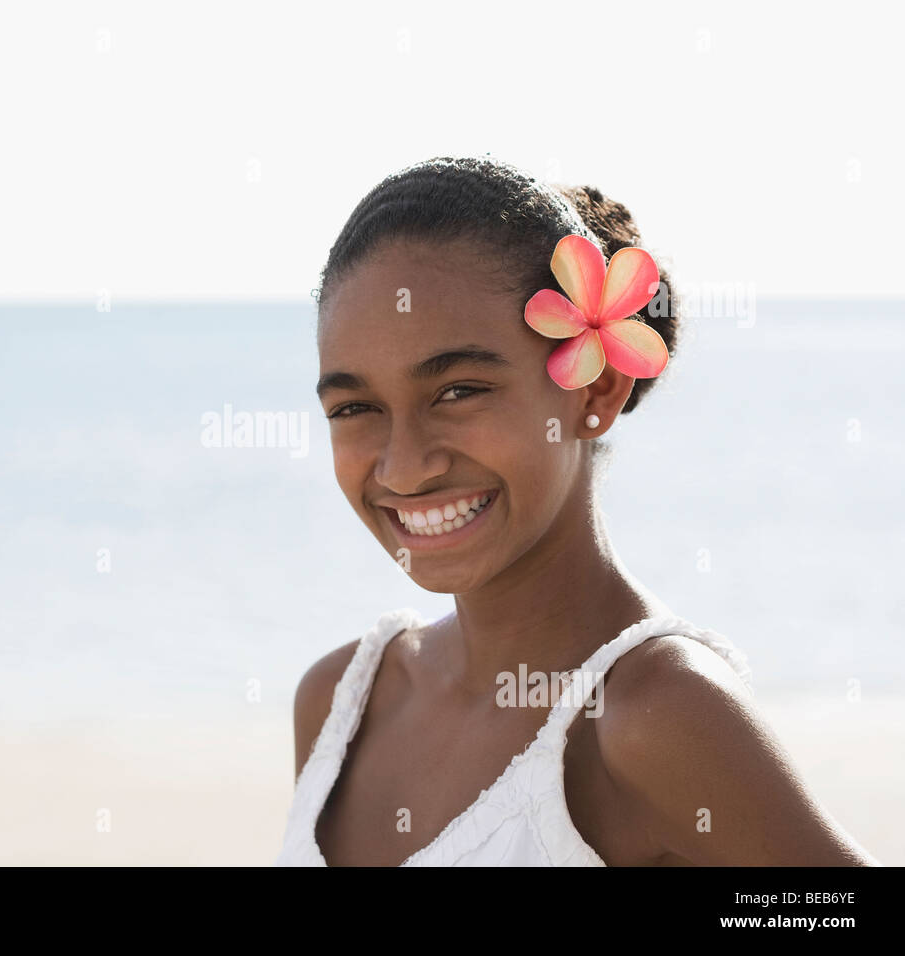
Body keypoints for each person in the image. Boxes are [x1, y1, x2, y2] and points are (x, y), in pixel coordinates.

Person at [274, 157, 877, 866]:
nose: (406, 466)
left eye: (459, 391)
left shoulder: (656, 715)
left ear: (595, 393)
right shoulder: (341, 702)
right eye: (355, 408)